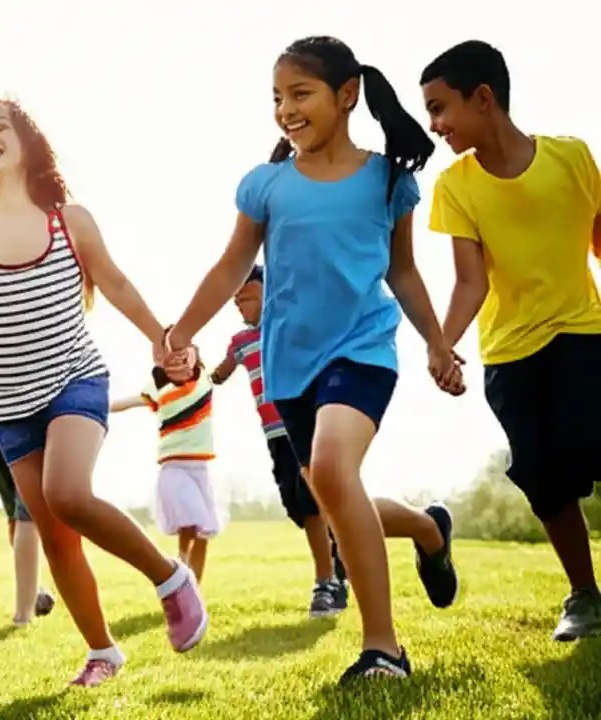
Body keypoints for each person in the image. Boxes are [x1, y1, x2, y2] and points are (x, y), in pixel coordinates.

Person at [162, 36, 462, 682]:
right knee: (331, 491)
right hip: (289, 365)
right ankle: (427, 529)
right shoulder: (266, 185)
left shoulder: (389, 179)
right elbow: (231, 266)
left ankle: (383, 647)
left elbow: (404, 273)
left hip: (362, 349)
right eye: (277, 98)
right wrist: (181, 329)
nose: (286, 109)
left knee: (329, 468)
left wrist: (437, 341)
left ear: (346, 94)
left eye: (300, 94)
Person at [0, 98, 208, 689]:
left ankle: (171, 578)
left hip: (76, 379)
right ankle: (103, 651)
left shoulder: (67, 220)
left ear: (27, 144)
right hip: (11, 409)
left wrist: (162, 340)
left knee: (67, 493)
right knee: (55, 535)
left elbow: (116, 282)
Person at [421, 39, 601, 641]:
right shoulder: (456, 186)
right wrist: (442, 346)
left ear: (484, 98)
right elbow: (471, 282)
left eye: (441, 108)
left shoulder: (572, 159)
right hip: (510, 357)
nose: (435, 125)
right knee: (543, 476)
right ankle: (584, 595)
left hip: (583, 334)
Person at [210, 264, 348, 618]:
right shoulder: (240, 342)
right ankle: (339, 560)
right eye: (235, 300)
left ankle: (326, 581)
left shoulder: (287, 328)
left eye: (247, 295)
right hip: (274, 436)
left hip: (304, 426)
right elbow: (219, 374)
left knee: (312, 503)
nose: (240, 303)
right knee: (299, 508)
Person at [110, 365, 223, 583]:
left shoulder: (204, 383)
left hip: (201, 468)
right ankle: (181, 560)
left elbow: (226, 369)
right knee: (190, 518)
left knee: (203, 532)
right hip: (174, 466)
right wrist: (93, 404)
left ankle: (193, 588)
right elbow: (128, 403)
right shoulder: (158, 387)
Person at [0, 393, 56, 626]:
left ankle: (35, 591)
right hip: (19, 416)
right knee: (27, 513)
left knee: (16, 514)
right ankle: (24, 614)